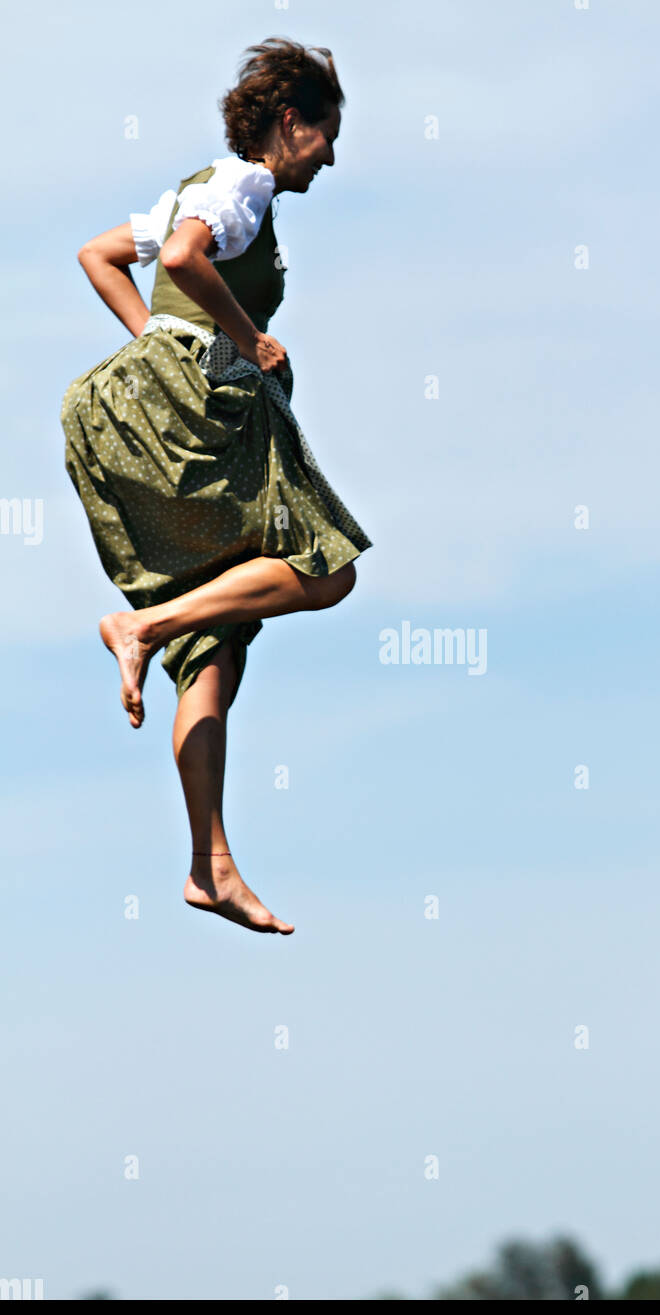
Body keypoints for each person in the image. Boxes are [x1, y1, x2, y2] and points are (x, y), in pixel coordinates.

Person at [61, 38, 372, 937]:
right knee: (329, 570)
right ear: (289, 124)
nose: (331, 155)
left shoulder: (191, 186)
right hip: (192, 418)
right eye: (325, 135)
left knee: (217, 647)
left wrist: (153, 339)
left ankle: (209, 864)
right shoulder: (242, 185)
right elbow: (192, 261)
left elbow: (97, 255)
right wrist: (245, 340)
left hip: (131, 419)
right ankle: (143, 624)